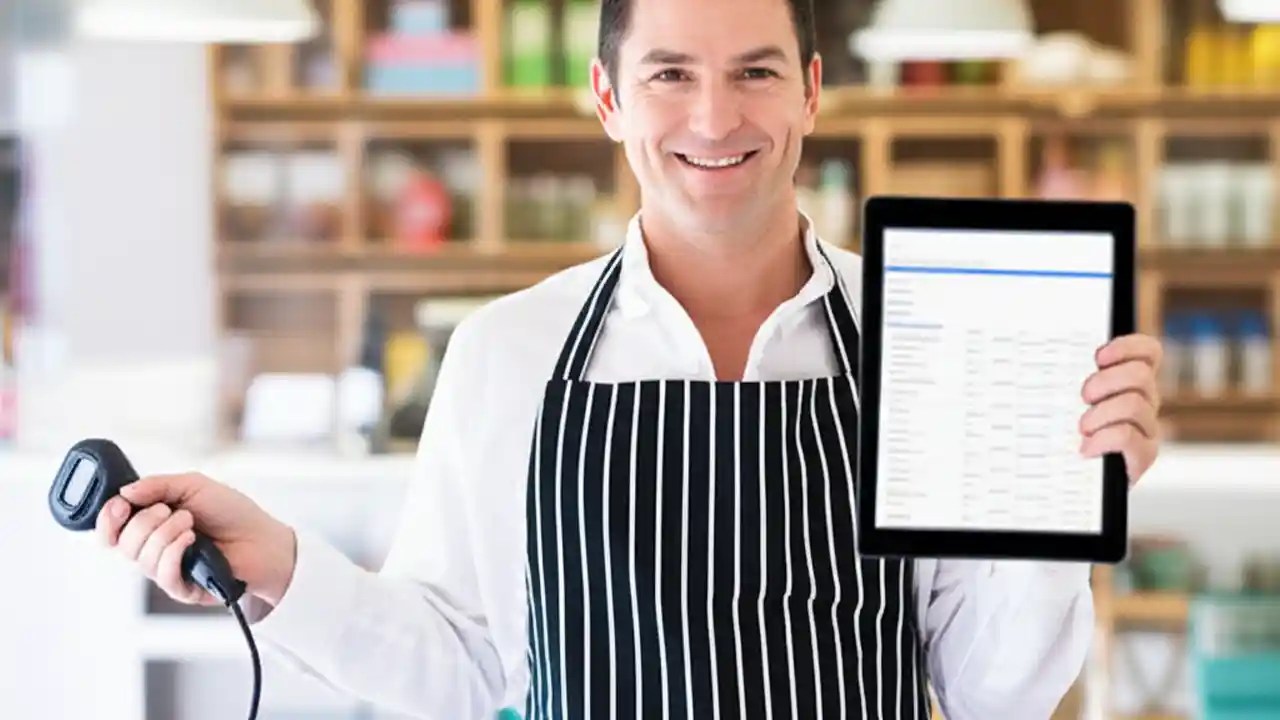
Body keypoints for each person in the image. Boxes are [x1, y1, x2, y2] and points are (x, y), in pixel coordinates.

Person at [97, 0, 1164, 717]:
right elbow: (467, 668)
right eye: (668, 75)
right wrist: (276, 563)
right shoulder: (504, 355)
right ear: (608, 99)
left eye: (753, 72)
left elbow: (989, 692)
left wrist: (1060, 495)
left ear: (809, 91)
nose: (713, 116)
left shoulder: (924, 339)